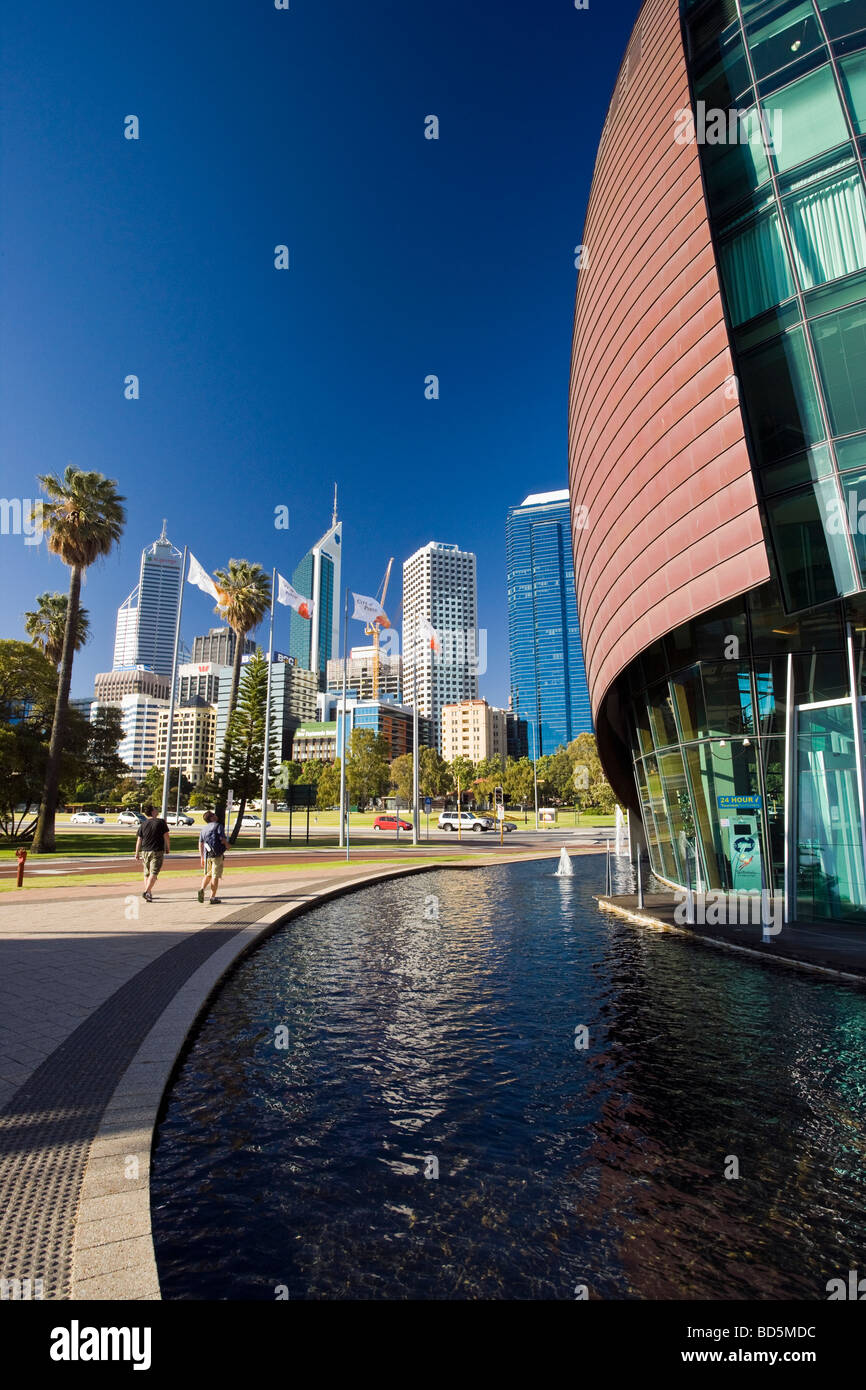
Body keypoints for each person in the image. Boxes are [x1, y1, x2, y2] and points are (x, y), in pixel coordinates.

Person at [135, 805, 170, 902]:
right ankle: (147, 891)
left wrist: (137, 852)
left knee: (147, 873)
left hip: (145, 851)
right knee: (154, 873)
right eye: (155, 809)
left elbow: (139, 839)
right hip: (157, 850)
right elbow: (166, 836)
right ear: (152, 812)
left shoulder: (143, 824)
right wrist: (167, 847)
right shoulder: (161, 822)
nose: (157, 809)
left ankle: (148, 893)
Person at [198, 811, 227, 904]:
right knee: (215, 875)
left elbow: (200, 844)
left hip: (207, 855)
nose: (216, 815)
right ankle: (212, 897)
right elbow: (222, 839)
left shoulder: (203, 829)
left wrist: (201, 857)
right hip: (217, 855)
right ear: (212, 818)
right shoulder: (218, 826)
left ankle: (202, 889)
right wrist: (227, 845)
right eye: (214, 814)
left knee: (207, 874)